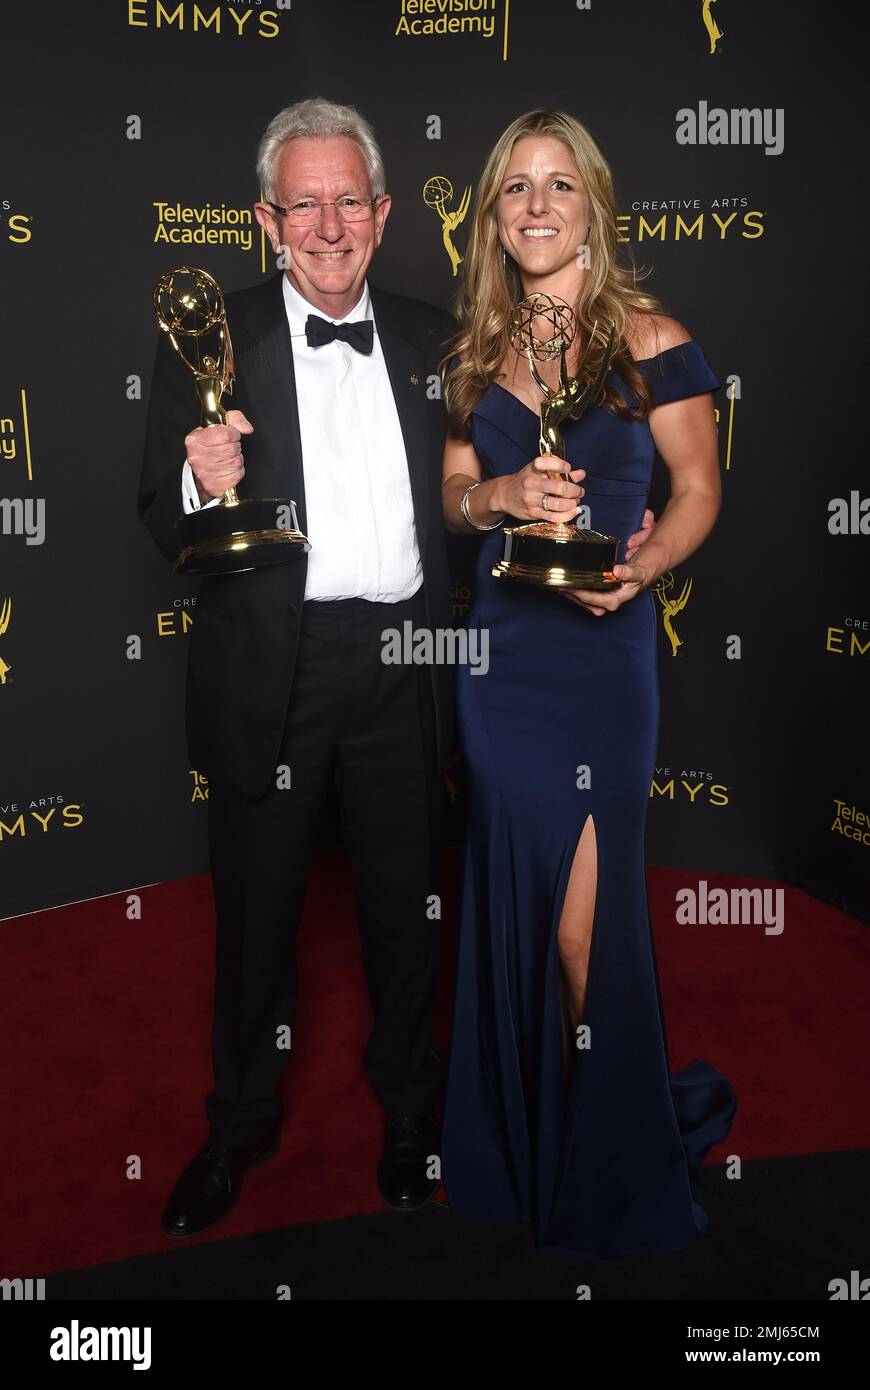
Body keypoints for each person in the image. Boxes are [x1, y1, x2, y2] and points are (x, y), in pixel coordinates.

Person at [138, 98, 455, 1238]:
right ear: (268, 220)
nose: (328, 226)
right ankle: (238, 1125)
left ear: (382, 211)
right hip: (275, 668)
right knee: (258, 918)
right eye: (302, 204)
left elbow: (472, 495)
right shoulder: (208, 337)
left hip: (406, 663)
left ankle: (414, 1114)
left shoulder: (432, 337)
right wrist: (198, 476)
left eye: (348, 201)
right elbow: (158, 515)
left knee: (406, 913)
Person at [439, 108, 737, 1258]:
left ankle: (607, 1155)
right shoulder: (476, 359)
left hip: (604, 658)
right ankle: (531, 1138)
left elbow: (699, 488)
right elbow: (459, 494)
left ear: (593, 206)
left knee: (582, 925)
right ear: (493, 215)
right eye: (515, 187)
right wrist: (501, 499)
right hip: (504, 656)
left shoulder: (655, 340)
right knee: (515, 897)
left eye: (559, 184)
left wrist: (643, 569)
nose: (537, 205)